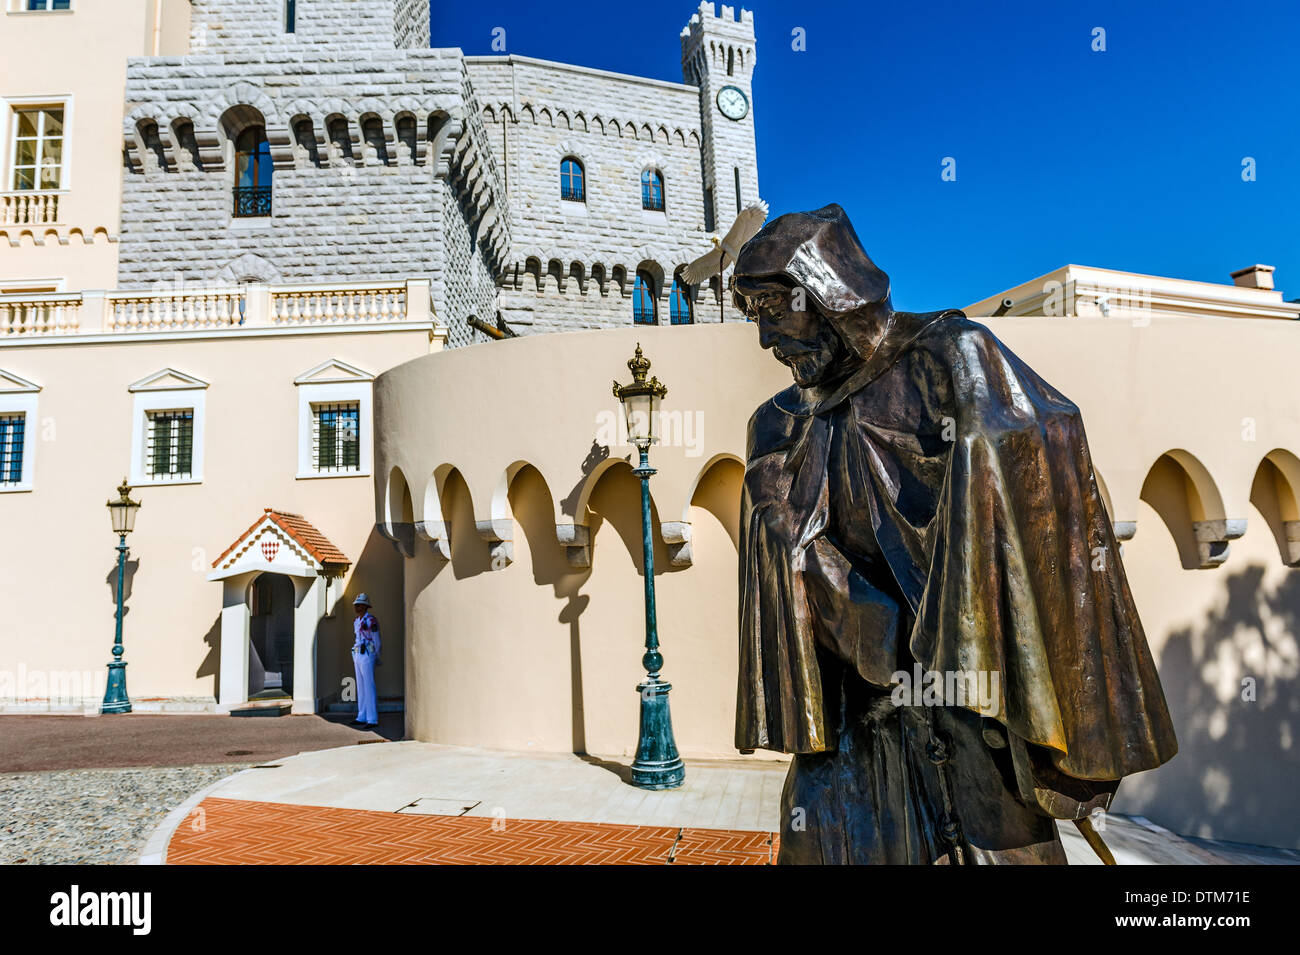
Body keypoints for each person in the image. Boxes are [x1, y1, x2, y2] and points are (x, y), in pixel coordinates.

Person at [731, 204, 1177, 864]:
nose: (767, 336)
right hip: (855, 728)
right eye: (755, 314)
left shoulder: (950, 358)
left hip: (967, 719)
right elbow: (786, 551)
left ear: (826, 290)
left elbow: (1042, 445)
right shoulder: (778, 422)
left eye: (774, 307)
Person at [350, 593, 381, 728]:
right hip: (357, 653)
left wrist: (377, 654)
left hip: (368, 652)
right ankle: (362, 715)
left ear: (366, 606)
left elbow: (377, 639)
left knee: (369, 685)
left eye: (360, 604)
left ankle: (372, 718)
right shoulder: (357, 621)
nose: (357, 606)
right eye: (356, 604)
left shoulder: (371, 620)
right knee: (361, 686)